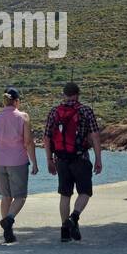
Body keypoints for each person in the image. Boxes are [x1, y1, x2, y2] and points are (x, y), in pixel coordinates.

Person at [45, 82, 102, 242]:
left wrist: (49, 159)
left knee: (65, 194)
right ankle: (74, 217)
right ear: (77, 94)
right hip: (80, 158)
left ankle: (64, 230)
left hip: (61, 159)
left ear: (64, 94)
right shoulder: (85, 110)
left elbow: (47, 137)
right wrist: (98, 158)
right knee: (85, 192)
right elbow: (95, 136)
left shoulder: (54, 112)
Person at [0, 88, 38, 243]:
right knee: (20, 196)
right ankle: (9, 220)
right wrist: (34, 162)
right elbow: (28, 142)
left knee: (6, 196)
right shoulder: (23, 117)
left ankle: (8, 232)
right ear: (17, 101)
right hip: (17, 162)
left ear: (4, 101)